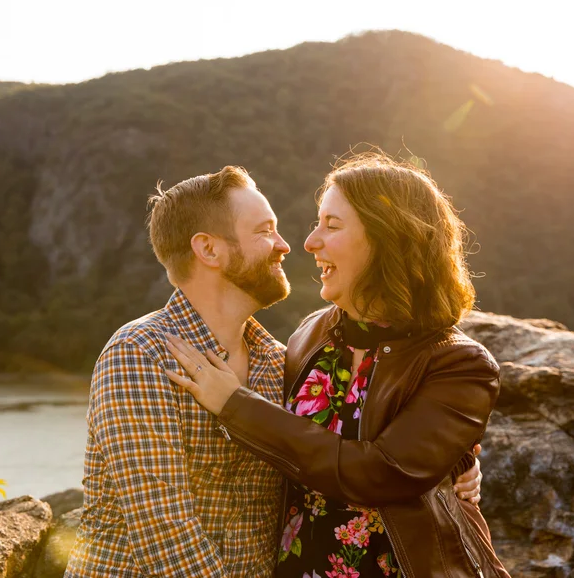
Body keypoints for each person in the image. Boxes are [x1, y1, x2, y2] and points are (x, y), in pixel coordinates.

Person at [63, 164, 483, 578]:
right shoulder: (142, 353)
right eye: (265, 231)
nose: (289, 244)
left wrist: (454, 462)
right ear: (209, 249)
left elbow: (348, 448)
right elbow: (167, 534)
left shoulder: (276, 358)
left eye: (328, 225)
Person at [166, 153, 511, 578]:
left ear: (388, 238)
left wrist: (236, 405)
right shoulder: (310, 335)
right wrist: (458, 462)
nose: (310, 242)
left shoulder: (459, 363)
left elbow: (378, 473)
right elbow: (285, 452)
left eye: (331, 225)